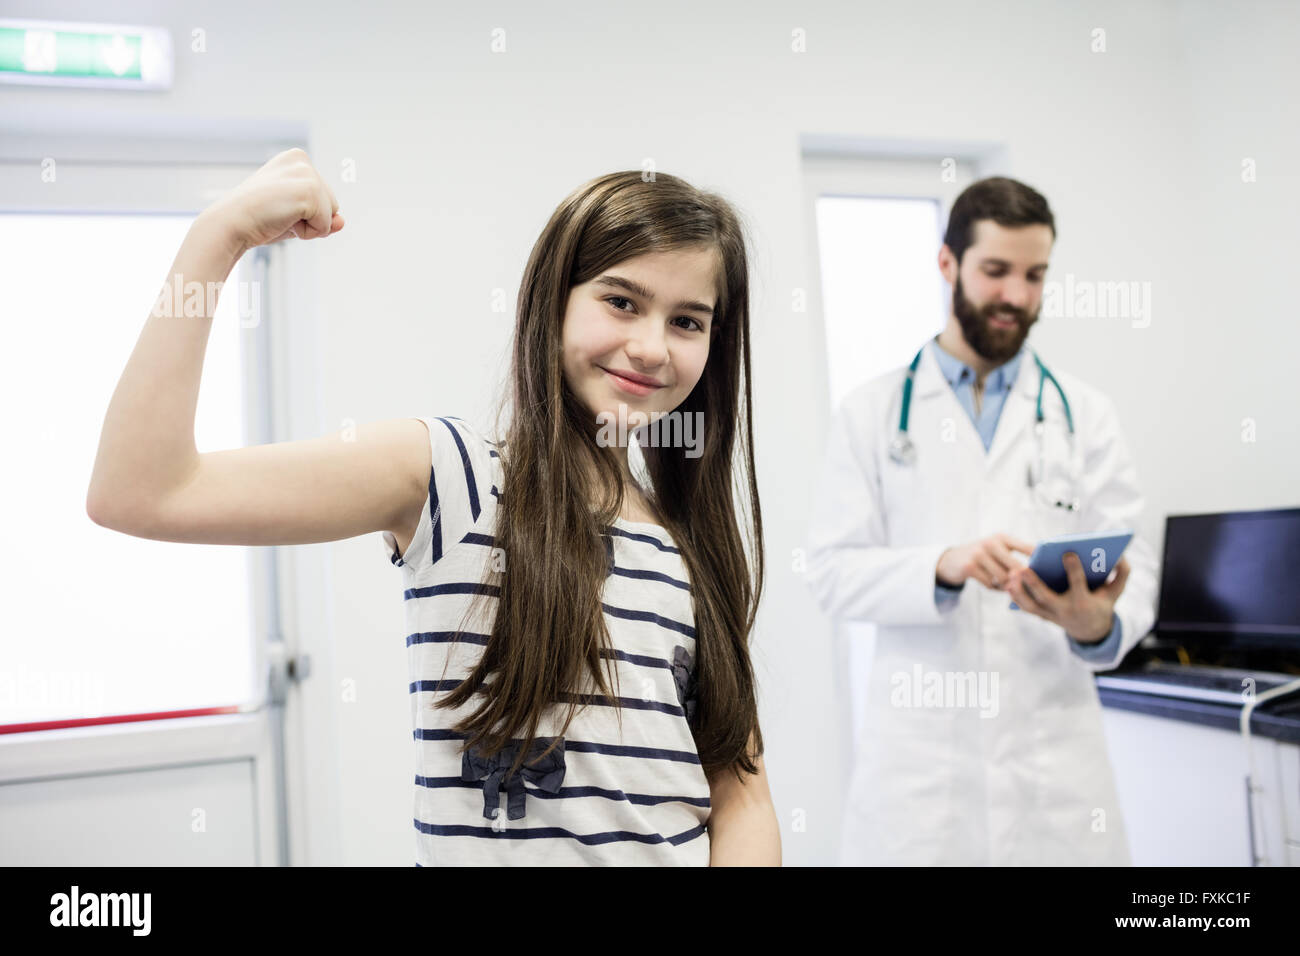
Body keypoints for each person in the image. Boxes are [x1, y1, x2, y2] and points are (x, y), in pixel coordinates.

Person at [86, 148, 778, 866]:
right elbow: (140, 491)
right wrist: (217, 236)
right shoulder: (452, 476)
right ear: (554, 300)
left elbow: (743, 795)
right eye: (621, 301)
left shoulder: (690, 542)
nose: (650, 347)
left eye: (688, 321)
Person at [803, 176, 1158, 866]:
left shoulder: (1084, 414)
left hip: (1053, 765)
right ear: (948, 265)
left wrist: (1099, 626)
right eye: (996, 271)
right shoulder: (873, 414)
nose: (1017, 296)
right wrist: (942, 564)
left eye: (1035, 275)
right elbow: (830, 573)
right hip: (923, 776)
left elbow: (1134, 559)